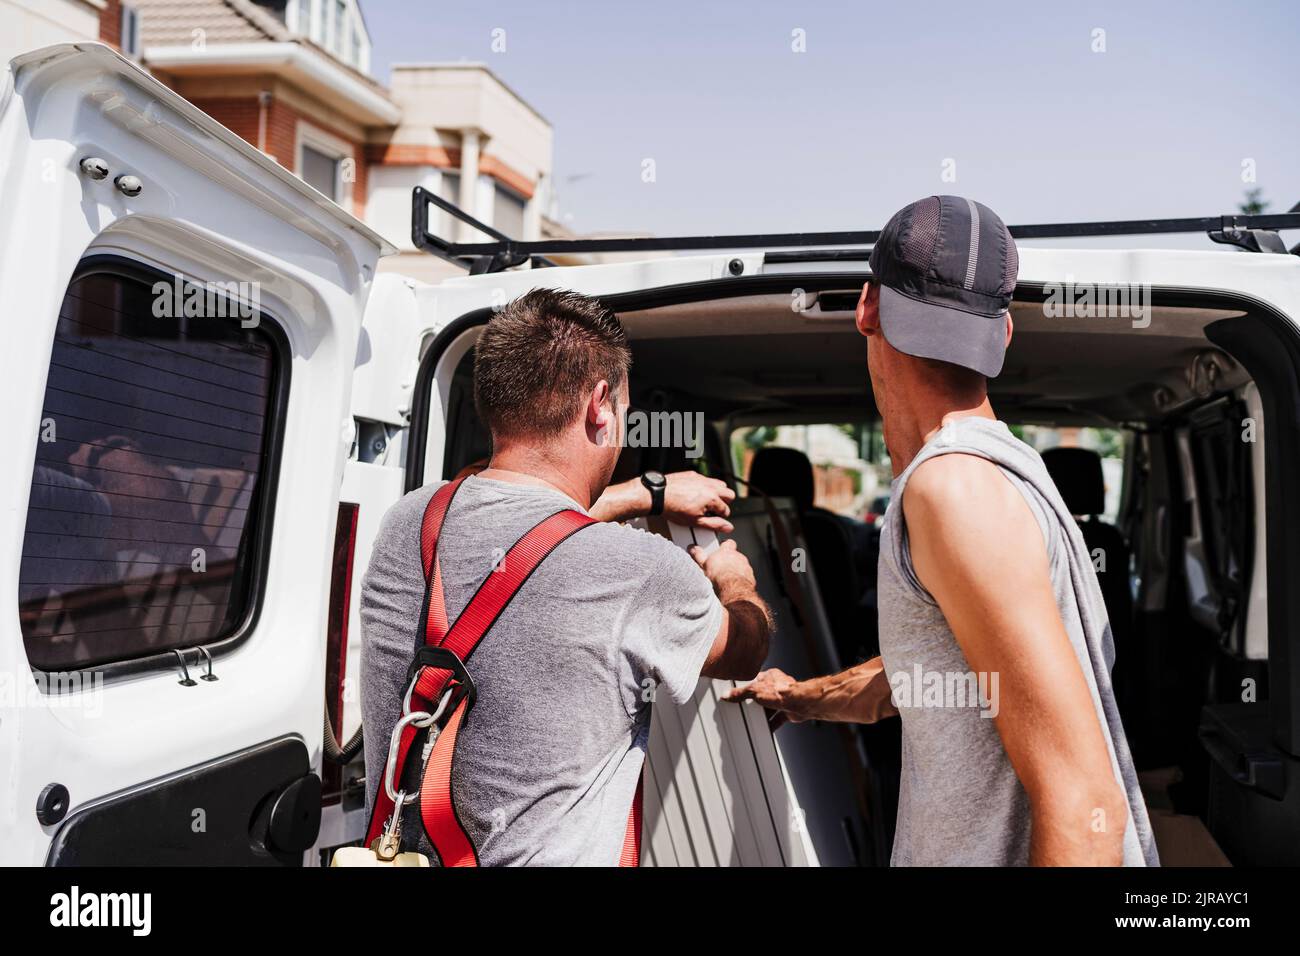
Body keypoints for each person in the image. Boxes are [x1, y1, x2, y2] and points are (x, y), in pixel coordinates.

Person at [727, 196, 1158, 867]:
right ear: (1003, 334)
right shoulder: (1000, 470)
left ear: (867, 308)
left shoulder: (951, 488)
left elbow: (1083, 807)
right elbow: (939, 671)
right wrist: (801, 698)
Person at [360, 287, 772, 866]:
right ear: (600, 404)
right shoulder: (642, 570)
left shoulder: (409, 521)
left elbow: (521, 530)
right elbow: (744, 650)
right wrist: (734, 580)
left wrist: (642, 494)